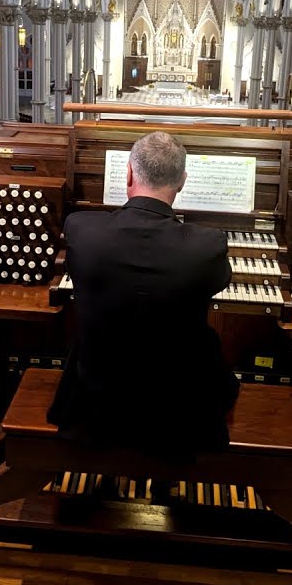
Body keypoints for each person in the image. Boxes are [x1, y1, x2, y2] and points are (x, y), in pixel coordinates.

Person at [48, 131, 239, 460]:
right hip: (180, 401)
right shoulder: (207, 245)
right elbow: (220, 280)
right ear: (182, 182)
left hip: (97, 397)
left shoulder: (81, 228)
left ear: (129, 173)